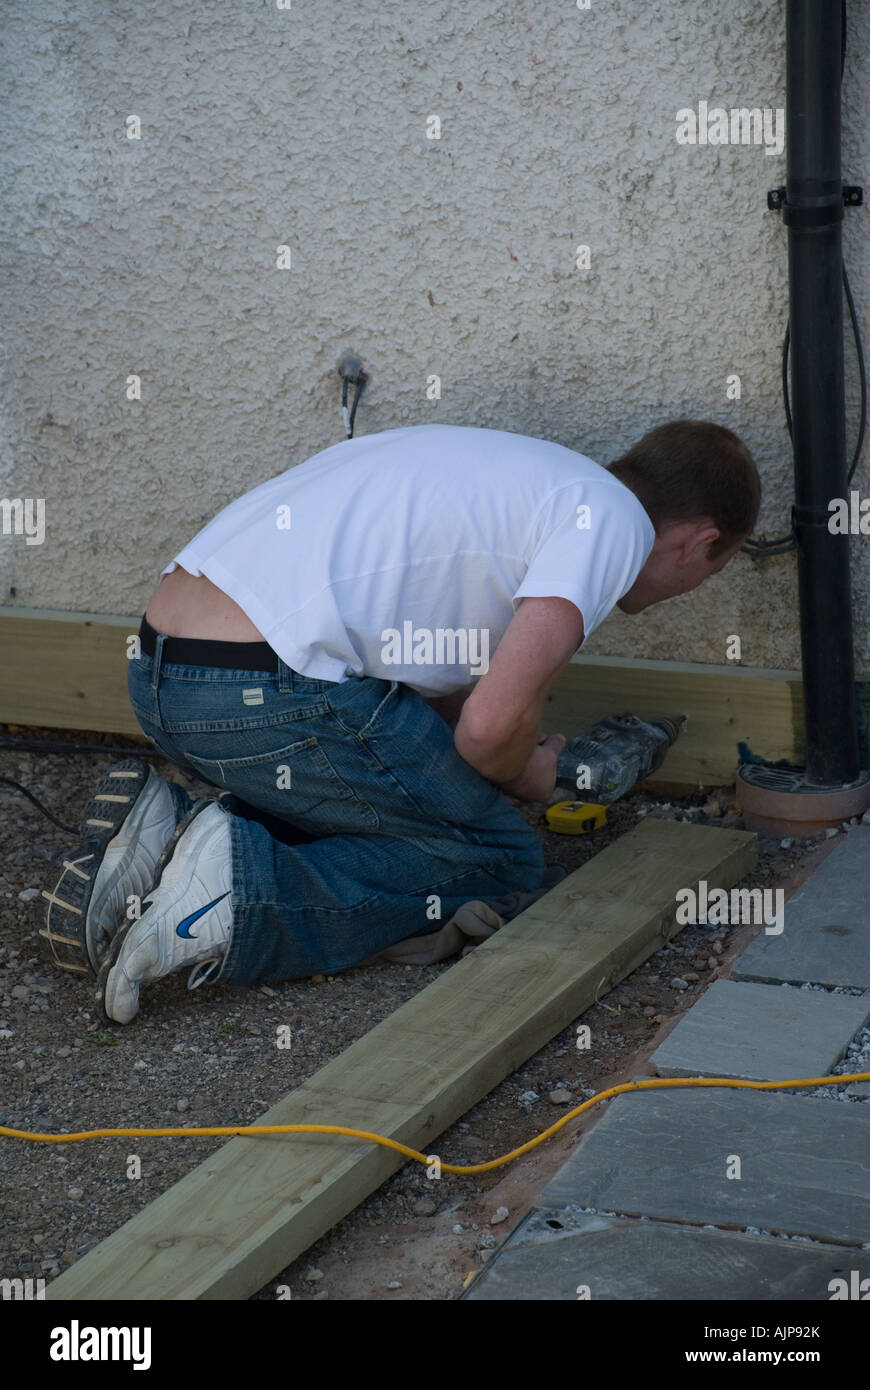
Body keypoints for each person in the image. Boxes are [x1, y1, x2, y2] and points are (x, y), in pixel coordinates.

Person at [43, 419, 760, 1023]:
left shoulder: (534, 480)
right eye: (707, 571)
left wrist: (490, 754)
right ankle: (233, 891)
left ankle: (164, 838)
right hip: (261, 688)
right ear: (700, 543)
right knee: (498, 860)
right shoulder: (611, 525)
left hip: (168, 678)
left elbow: (428, 706)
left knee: (400, 815)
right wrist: (526, 773)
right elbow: (487, 730)